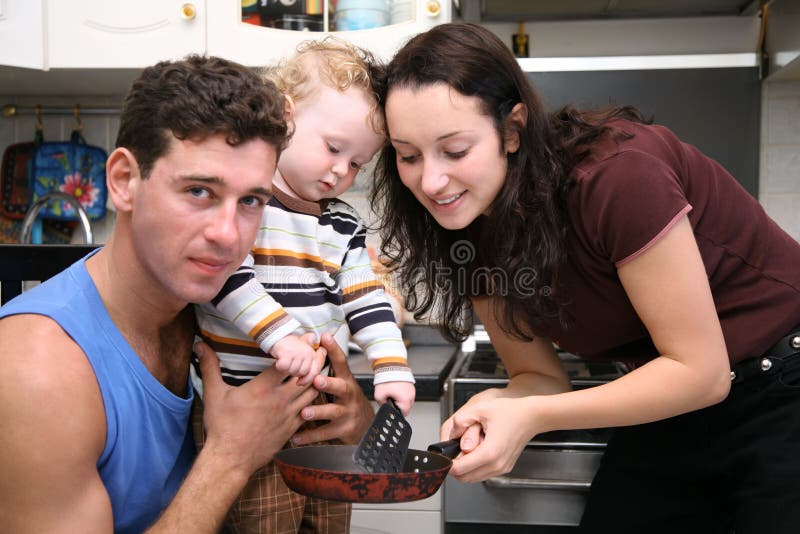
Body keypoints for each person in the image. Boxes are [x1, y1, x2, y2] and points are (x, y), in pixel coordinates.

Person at [371, 22, 800, 534]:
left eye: (456, 151)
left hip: (784, 389)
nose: (431, 181)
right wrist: (503, 404)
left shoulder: (617, 176)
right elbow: (540, 378)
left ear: (512, 129)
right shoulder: (468, 228)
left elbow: (700, 373)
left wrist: (533, 418)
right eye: (409, 155)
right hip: (674, 405)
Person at [0, 54, 374, 533]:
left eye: (251, 201)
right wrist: (231, 455)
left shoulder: (208, 303)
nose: (227, 234)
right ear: (123, 181)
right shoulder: (39, 369)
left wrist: (353, 417)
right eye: (199, 191)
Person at [192, 37, 415, 532]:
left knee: (328, 524)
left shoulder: (343, 225)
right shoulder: (249, 201)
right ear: (285, 118)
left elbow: (366, 296)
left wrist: (391, 365)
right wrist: (280, 337)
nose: (341, 171)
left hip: (320, 412)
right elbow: (226, 277)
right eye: (334, 148)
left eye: (357, 163)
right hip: (247, 408)